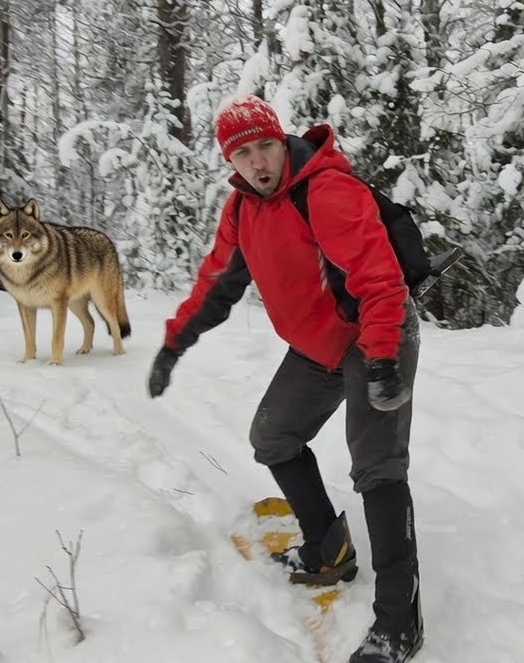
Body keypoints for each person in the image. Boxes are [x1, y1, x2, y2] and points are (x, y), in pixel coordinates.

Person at [146, 94, 423, 663]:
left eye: (265, 146)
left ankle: (400, 623)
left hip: (379, 333)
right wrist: (175, 342)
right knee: (272, 437)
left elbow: (378, 279)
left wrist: (382, 359)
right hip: (318, 345)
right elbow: (216, 286)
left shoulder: (326, 191)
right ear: (231, 160)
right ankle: (328, 552)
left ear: (282, 139)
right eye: (243, 153)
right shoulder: (242, 211)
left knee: (376, 466)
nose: (258, 163)